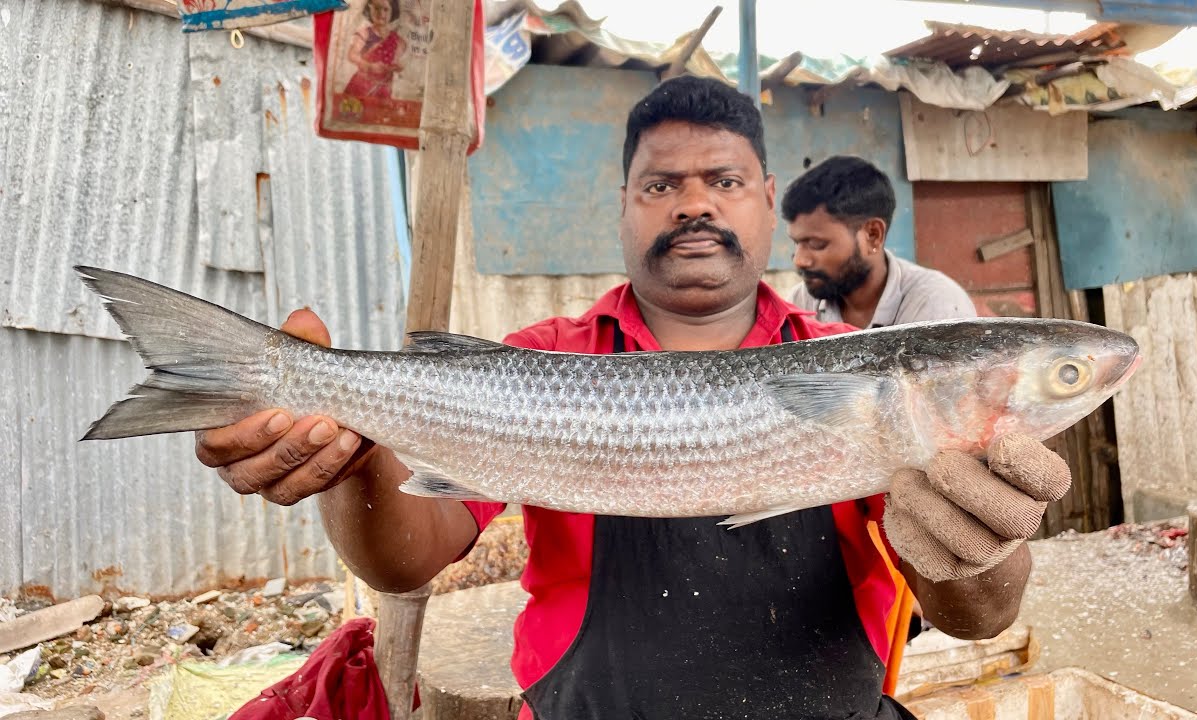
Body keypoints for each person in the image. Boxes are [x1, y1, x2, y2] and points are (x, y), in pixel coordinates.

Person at [194, 76, 1069, 720]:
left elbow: (975, 618)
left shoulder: (862, 369)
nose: (694, 205)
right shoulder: (542, 359)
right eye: (662, 185)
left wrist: (981, 548)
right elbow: (405, 562)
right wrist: (344, 449)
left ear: (769, 205)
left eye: (724, 182)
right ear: (622, 208)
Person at [783, 155, 976, 330]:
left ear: (873, 235)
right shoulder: (801, 304)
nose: (799, 260)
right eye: (796, 243)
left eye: (817, 244)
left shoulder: (936, 307)